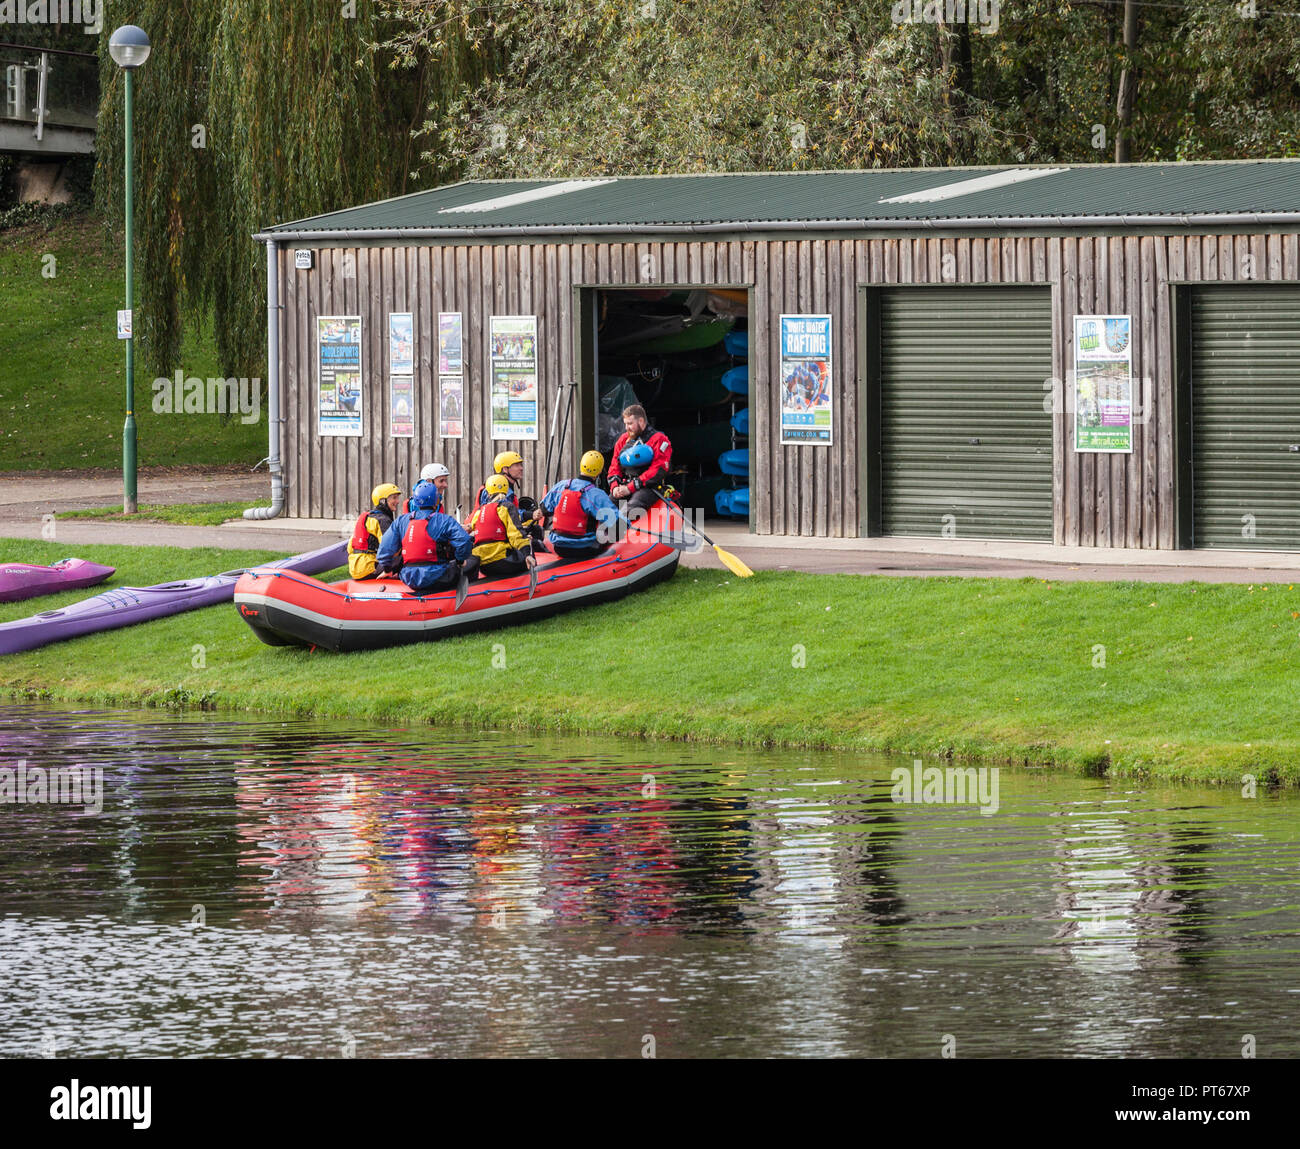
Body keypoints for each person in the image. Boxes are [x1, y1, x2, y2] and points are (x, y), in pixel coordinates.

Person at [375, 483, 479, 592]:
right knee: (474, 560)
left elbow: (384, 550)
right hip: (438, 577)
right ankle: (472, 594)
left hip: (409, 579)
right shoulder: (444, 520)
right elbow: (464, 542)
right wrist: (460, 561)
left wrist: (387, 569)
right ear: (436, 500)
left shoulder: (401, 521)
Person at [540, 450, 619, 560]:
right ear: (599, 472)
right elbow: (618, 523)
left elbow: (544, 509)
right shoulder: (596, 494)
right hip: (585, 548)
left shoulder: (562, 486)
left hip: (559, 547)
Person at [607, 404, 674, 514]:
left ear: (641, 421)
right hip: (625, 485)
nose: (626, 428)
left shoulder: (659, 439)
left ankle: (621, 529)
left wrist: (630, 487)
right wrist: (614, 487)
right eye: (625, 424)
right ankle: (605, 531)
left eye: (630, 424)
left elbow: (659, 469)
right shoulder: (623, 440)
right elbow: (615, 465)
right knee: (605, 508)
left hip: (649, 488)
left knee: (630, 510)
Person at [467, 474, 536, 579]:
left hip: (484, 566)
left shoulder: (480, 510)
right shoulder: (507, 507)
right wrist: (527, 553)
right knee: (528, 542)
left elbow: (471, 527)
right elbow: (515, 534)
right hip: (503, 562)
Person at [478, 449, 548, 552]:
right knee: (537, 543)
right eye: (517, 465)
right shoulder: (496, 489)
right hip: (496, 535)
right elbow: (505, 514)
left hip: (505, 530)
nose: (521, 468)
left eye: (521, 465)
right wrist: (530, 514)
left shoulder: (507, 487)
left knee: (537, 530)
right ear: (505, 469)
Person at [348, 483, 402, 580]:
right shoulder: (383, 520)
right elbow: (391, 549)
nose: (397, 501)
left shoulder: (367, 517)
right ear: (383, 501)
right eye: (394, 498)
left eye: (397, 498)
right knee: (404, 556)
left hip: (354, 567)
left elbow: (350, 548)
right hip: (369, 568)